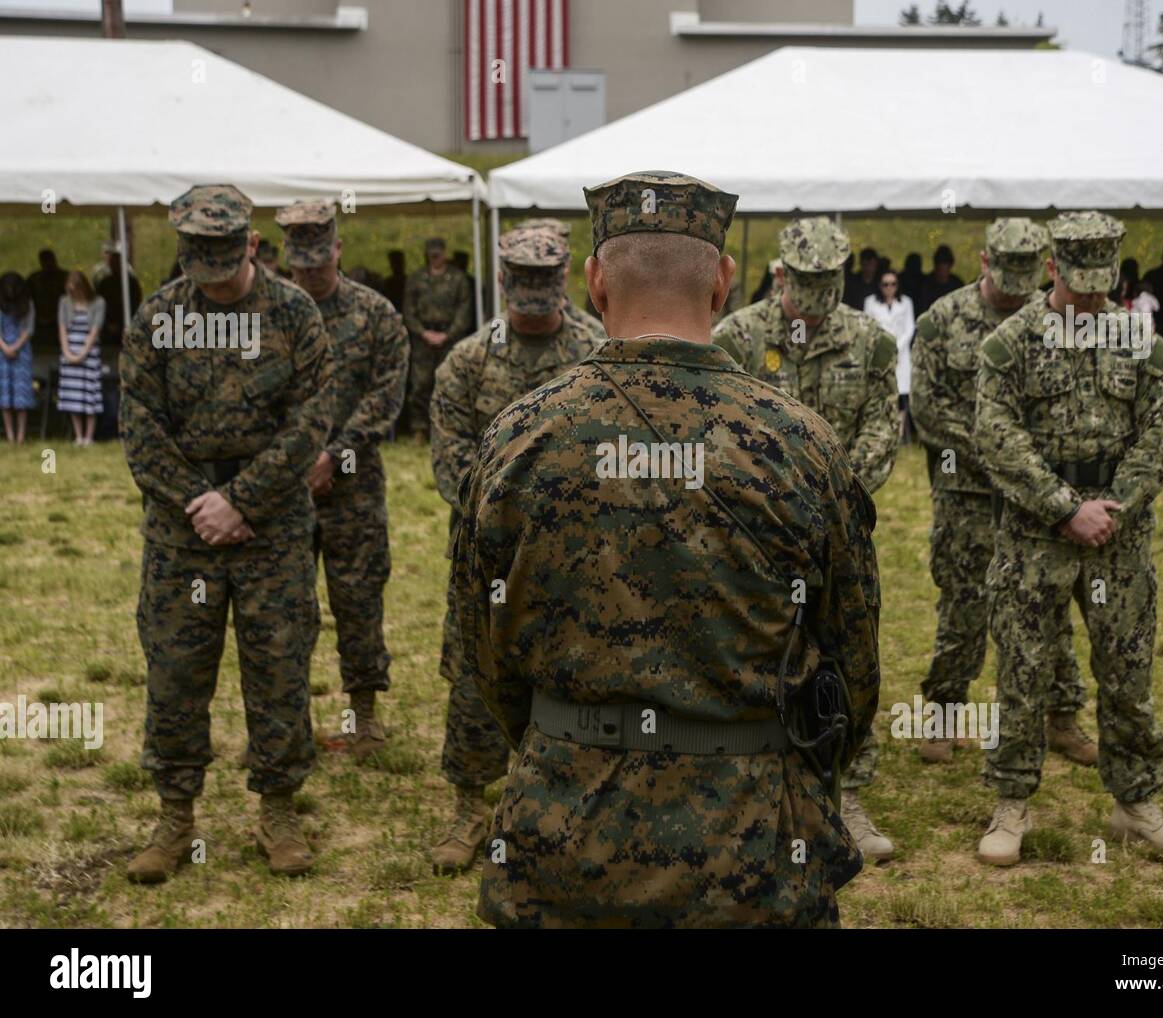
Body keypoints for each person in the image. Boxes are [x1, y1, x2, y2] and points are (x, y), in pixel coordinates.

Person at [451, 170, 881, 928]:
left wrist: (562, 738)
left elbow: (484, 652)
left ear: (591, 282)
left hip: (562, 833)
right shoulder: (800, 443)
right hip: (752, 849)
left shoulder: (517, 438)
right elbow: (852, 665)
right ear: (724, 280)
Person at [118, 184, 336, 883]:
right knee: (177, 672)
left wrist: (241, 500)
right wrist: (200, 503)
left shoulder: (294, 313)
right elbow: (140, 429)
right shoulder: (156, 317)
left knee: (278, 668)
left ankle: (277, 810)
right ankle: (175, 817)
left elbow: (311, 420)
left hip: (271, 526)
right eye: (196, 258)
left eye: (222, 255)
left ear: (250, 244)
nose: (208, 271)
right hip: (184, 532)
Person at [974, 211, 1163, 867]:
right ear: (1052, 271)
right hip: (1034, 534)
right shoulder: (1011, 344)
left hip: (1117, 536)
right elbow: (997, 439)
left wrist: (1115, 508)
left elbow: (1161, 439)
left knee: (1128, 673)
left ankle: (1137, 804)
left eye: (1103, 285)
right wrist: (1064, 507)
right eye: (1081, 286)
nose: (1093, 299)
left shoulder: (1140, 341)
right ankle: (1011, 804)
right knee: (1023, 673)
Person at [713, 215, 897, 863]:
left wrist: (837, 494)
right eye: (805, 283)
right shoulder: (736, 339)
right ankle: (753, 784)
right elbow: (715, 427)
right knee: (753, 648)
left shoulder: (870, 343)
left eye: (829, 283)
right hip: (757, 534)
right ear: (782, 274)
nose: (815, 299)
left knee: (847, 652)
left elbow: (883, 426)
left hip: (841, 530)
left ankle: (846, 788)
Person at [429, 222, 604, 874]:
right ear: (502, 280)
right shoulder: (470, 363)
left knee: (576, 678)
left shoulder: (598, 354)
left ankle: (568, 807)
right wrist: (512, 528)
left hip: (578, 563)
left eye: (545, 280)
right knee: (477, 681)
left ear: (565, 279)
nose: (533, 292)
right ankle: (470, 809)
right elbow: (451, 466)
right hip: (490, 559)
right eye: (521, 280)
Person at [910, 218, 1094, 767]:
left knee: (1051, 603)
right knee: (964, 605)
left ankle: (1062, 718)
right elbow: (927, 408)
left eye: (1027, 275)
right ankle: (943, 717)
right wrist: (1001, 451)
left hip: (1040, 496)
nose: (1016, 288)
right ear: (985, 262)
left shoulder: (1056, 321)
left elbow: (1075, 404)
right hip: (967, 493)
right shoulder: (943, 319)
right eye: (1006, 273)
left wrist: (1036, 472)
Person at [276, 199, 408, 760]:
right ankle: (287, 723)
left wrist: (335, 456)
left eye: (318, 265)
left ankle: (363, 718)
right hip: (283, 487)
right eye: (298, 267)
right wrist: (291, 461)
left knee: (357, 600)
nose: (308, 276)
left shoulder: (376, 315)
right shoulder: (270, 316)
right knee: (284, 605)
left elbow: (387, 395)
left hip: (353, 485)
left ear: (338, 251)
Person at [403, 237, 473, 442]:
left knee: (451, 384)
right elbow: (408, 310)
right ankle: (419, 429)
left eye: (438, 254)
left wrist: (448, 334)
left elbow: (464, 310)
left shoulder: (458, 279)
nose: (435, 257)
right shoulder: (416, 279)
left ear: (444, 253)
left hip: (449, 338)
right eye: (431, 254)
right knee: (420, 385)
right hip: (422, 338)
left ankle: (448, 428)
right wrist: (423, 332)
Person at [865, 270, 916, 441]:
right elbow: (867, 326)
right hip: (879, 351)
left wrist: (897, 345)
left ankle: (900, 432)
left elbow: (910, 327)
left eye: (893, 284)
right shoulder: (870, 303)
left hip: (901, 353)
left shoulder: (906, 302)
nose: (889, 288)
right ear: (880, 285)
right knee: (881, 390)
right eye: (886, 284)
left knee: (901, 392)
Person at [57, 271, 106, 446]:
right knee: (73, 397)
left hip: (89, 354)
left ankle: (88, 436)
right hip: (69, 353)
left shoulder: (98, 303)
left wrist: (82, 354)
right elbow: (62, 328)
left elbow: (95, 330)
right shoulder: (64, 302)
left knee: (89, 396)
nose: (72, 294)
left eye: (75, 290)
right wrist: (68, 353)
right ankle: (78, 436)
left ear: (82, 287)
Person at [0, 273, 37, 443]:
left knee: (21, 396)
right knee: (5, 396)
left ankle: (21, 436)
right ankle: (10, 435)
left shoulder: (28, 305)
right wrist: (5, 347)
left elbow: (28, 330)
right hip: (2, 352)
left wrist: (14, 347)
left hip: (22, 353)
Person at [93, 245, 143, 355]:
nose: (113, 266)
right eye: (112, 263)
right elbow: (99, 304)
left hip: (127, 323)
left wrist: (122, 324)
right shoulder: (104, 283)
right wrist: (108, 323)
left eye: (116, 263)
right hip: (108, 326)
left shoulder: (131, 282)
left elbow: (135, 303)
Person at [26, 249, 68, 354]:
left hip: (61, 319)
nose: (48, 264)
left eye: (50, 260)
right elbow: (27, 299)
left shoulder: (65, 277)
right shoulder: (34, 279)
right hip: (39, 320)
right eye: (45, 261)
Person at [916, 244, 964, 316]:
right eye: (940, 270)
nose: (942, 273)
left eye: (945, 269)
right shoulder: (926, 284)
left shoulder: (957, 284)